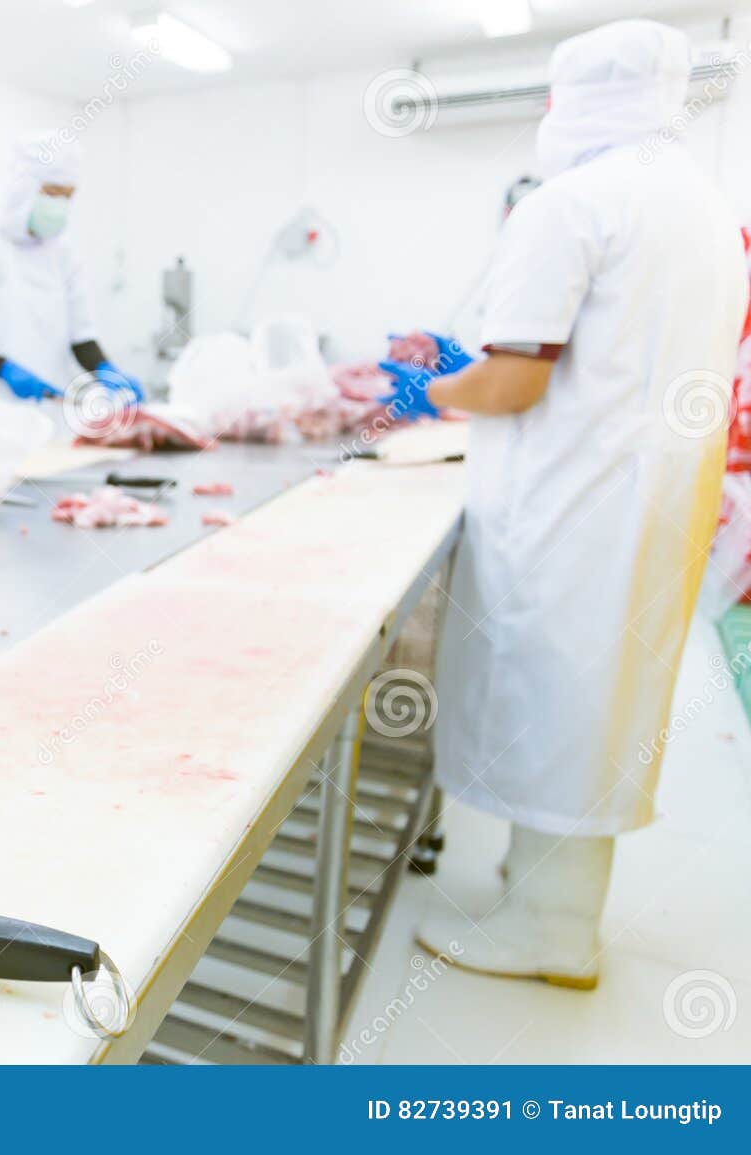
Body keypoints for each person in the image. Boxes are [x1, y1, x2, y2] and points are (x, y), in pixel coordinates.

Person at [381, 20, 747, 989]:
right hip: (649, 504)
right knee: (595, 705)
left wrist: (429, 388)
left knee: (546, 694)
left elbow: (513, 385)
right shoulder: (703, 207)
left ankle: (550, 934)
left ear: (569, 101)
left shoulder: (570, 203)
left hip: (568, 502)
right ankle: (548, 902)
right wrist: (474, 371)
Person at [0, 134, 142, 408]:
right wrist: (3, 369)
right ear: (24, 190)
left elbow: (81, 337)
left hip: (53, 416)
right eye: (53, 194)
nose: (60, 207)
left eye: (68, 196)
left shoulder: (64, 255)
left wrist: (105, 370)